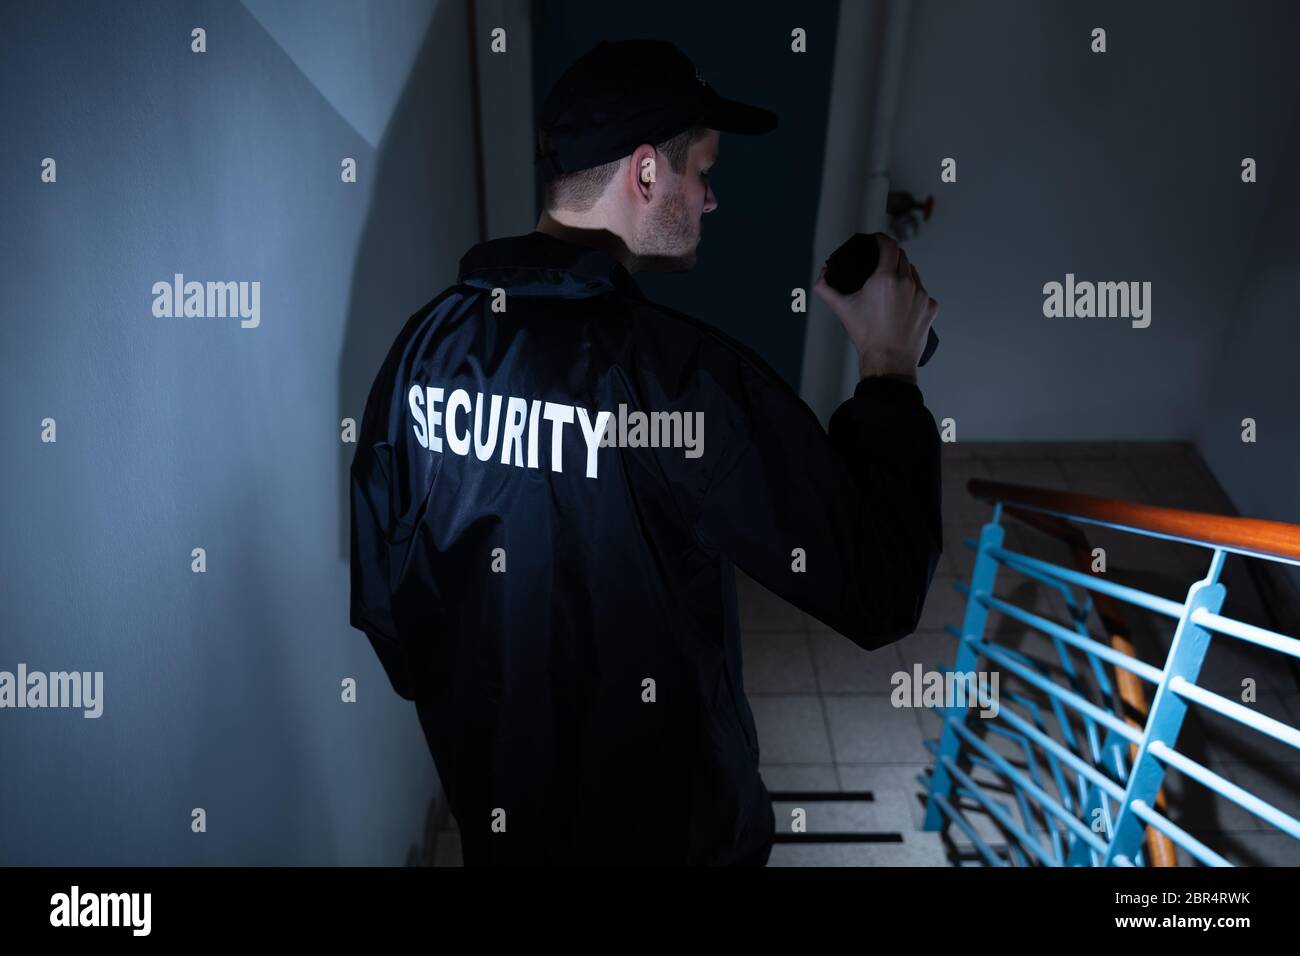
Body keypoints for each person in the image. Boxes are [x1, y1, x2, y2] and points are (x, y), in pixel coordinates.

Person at [349, 38, 942, 866]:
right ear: (645, 174)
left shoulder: (422, 350)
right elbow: (878, 587)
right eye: (703, 170)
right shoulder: (683, 380)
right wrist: (888, 373)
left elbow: (386, 608)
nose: (711, 199)